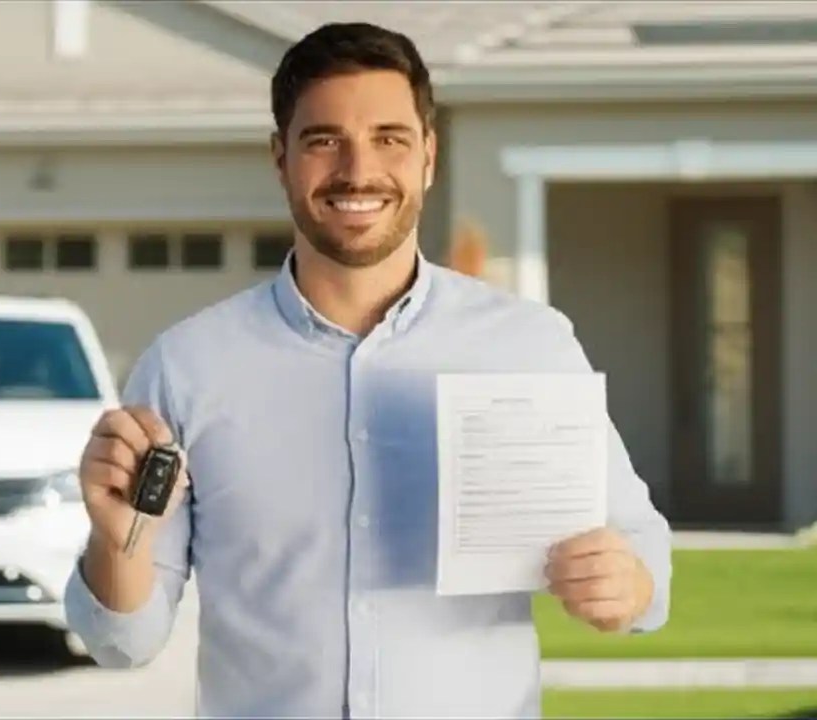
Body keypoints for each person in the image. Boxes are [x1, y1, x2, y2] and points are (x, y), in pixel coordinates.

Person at [64, 21, 672, 719]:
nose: (358, 171)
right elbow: (124, 643)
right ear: (280, 158)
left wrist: (629, 585)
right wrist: (117, 541)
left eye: (390, 138)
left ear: (429, 157)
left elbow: (642, 550)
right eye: (324, 140)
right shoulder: (186, 369)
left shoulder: (530, 347)